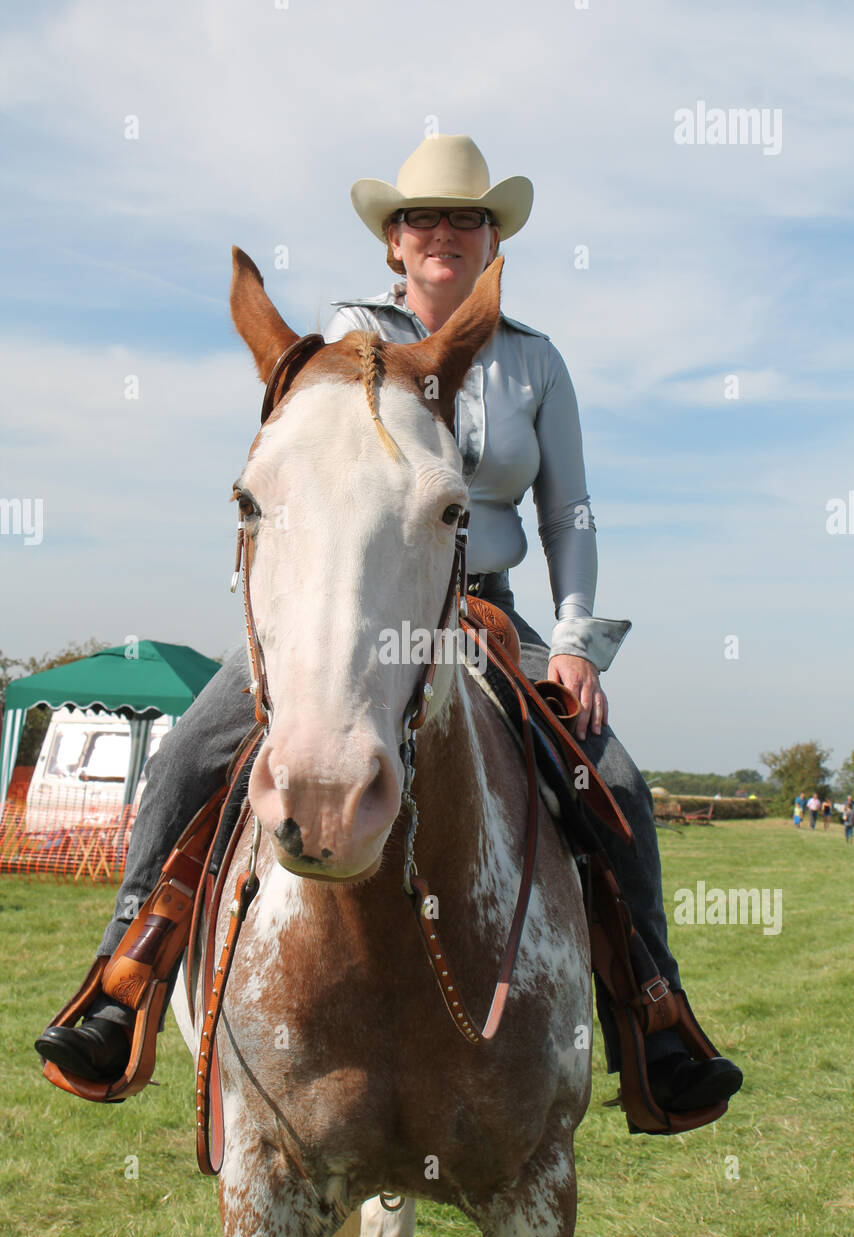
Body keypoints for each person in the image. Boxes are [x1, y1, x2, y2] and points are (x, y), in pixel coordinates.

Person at [36, 134, 742, 1120]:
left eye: (465, 218)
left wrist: (576, 642)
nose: (443, 233)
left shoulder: (536, 362)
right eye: (423, 218)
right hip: (354, 597)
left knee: (610, 775)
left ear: (491, 238)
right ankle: (125, 973)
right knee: (191, 747)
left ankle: (653, 1009)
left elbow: (568, 515)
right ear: (392, 242)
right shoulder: (340, 337)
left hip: (483, 603)